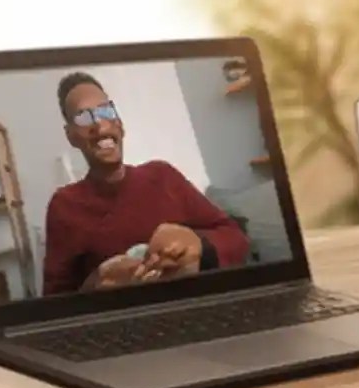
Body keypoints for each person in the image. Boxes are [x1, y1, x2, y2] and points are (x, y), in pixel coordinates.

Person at [42, 72, 250, 295]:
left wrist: (199, 244)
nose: (100, 124)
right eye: (83, 117)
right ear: (71, 136)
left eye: (105, 111)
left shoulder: (163, 176)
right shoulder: (64, 206)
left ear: (120, 124)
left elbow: (235, 237)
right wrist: (96, 284)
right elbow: (54, 302)